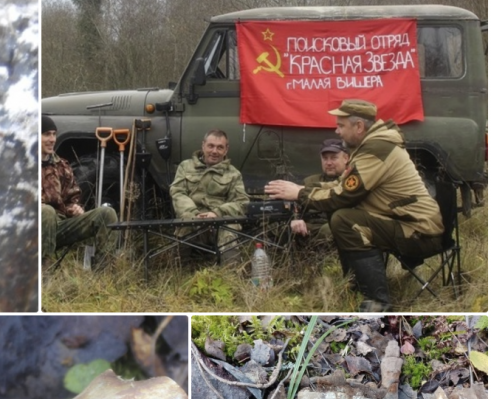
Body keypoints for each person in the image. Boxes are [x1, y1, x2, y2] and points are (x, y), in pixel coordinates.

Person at [265, 99, 443, 311]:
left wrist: (301, 193)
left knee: (344, 219)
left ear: (359, 126)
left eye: (341, 125)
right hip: (408, 223)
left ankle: (378, 302)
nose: (337, 131)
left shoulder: (376, 149)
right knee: (340, 214)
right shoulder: (372, 146)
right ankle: (356, 285)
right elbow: (342, 185)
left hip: (420, 232)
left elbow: (344, 195)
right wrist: (301, 188)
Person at [41, 114, 117, 263]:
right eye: (46, 134)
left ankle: (103, 272)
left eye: (54, 134)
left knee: (106, 214)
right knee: (46, 211)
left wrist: (74, 208)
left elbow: (71, 198)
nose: (52, 139)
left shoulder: (61, 166)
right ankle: (44, 273)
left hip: (59, 227)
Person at [169, 129, 249, 263]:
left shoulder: (233, 174)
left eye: (220, 147)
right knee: (184, 226)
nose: (214, 151)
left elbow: (242, 202)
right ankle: (180, 274)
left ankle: (232, 276)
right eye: (211, 146)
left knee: (229, 229)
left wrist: (217, 213)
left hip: (219, 223)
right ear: (203, 145)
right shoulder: (186, 166)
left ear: (226, 150)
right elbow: (177, 192)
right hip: (192, 219)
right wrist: (193, 214)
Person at [290, 139, 350, 240]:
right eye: (325, 158)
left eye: (334, 158)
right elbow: (295, 206)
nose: (329, 163)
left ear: (346, 158)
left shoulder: (351, 181)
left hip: (335, 228)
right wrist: (295, 220)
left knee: (330, 229)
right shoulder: (310, 181)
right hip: (310, 229)